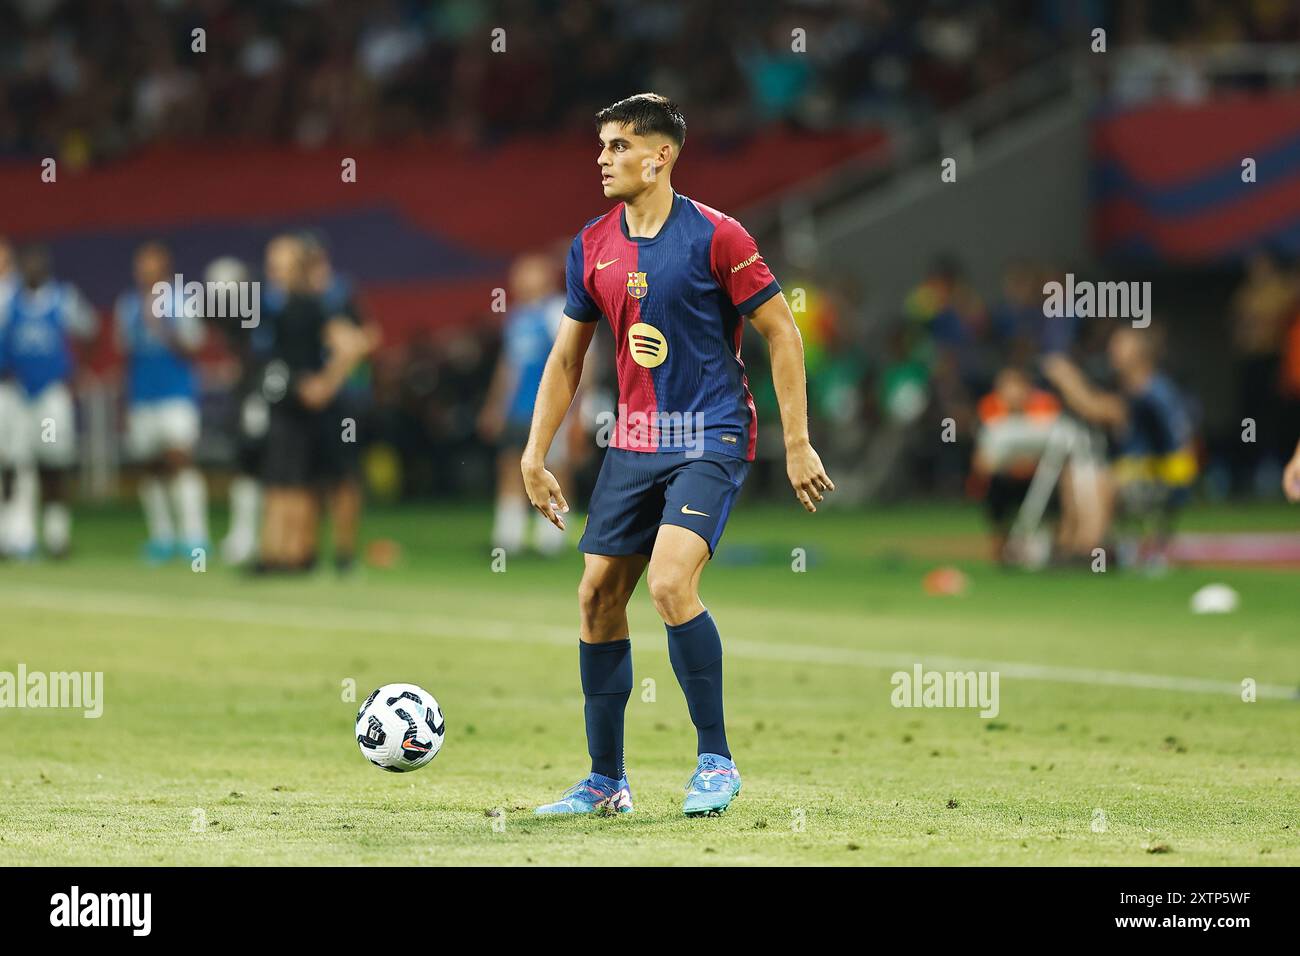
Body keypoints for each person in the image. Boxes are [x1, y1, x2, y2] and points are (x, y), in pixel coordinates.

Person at [522, 94, 833, 817]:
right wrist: (535, 452)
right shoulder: (591, 244)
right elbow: (567, 358)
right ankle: (605, 782)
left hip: (710, 436)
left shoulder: (719, 237)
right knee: (597, 595)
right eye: (600, 146)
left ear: (660, 156)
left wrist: (796, 442)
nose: (602, 159)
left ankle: (716, 763)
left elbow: (782, 333)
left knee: (667, 583)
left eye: (618, 146)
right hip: (632, 443)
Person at [255, 236, 374, 573]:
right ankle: (291, 552)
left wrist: (326, 383)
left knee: (336, 477)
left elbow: (360, 340)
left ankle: (339, 554)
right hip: (292, 403)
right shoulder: (276, 302)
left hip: (337, 406)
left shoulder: (326, 299)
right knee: (298, 477)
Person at [1042, 325, 1197, 568]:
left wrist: (1067, 379)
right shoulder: (1140, 387)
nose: (1112, 352)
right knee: (1075, 471)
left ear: (1140, 354)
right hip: (1146, 468)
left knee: (1102, 477)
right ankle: (1068, 547)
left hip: (1166, 472)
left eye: (1120, 346)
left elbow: (1096, 408)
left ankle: (1091, 549)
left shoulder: (1150, 391)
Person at [0, 244, 98, 558]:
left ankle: (57, 536)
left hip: (50, 395)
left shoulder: (63, 299)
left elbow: (91, 330)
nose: (32, 270)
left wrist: (76, 369)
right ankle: (15, 535)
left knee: (53, 463)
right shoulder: (7, 301)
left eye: (37, 264)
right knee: (14, 464)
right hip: (15, 394)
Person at [477, 251, 577, 556]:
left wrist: (575, 410)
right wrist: (494, 407)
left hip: (549, 409)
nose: (519, 279)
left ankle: (553, 536)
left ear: (545, 277)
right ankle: (509, 536)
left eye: (527, 273)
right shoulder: (517, 316)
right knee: (510, 465)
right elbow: (508, 366)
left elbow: (574, 361)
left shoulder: (557, 311)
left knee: (555, 467)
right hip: (517, 409)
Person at [116, 241, 208, 562]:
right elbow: (127, 355)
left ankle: (195, 537)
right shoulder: (127, 305)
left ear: (164, 268)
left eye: (151, 266)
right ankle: (162, 536)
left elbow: (194, 347)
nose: (145, 273)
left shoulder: (182, 299)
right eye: (141, 266)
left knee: (180, 461)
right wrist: (125, 402)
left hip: (176, 394)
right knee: (151, 468)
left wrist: (164, 326)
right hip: (143, 396)